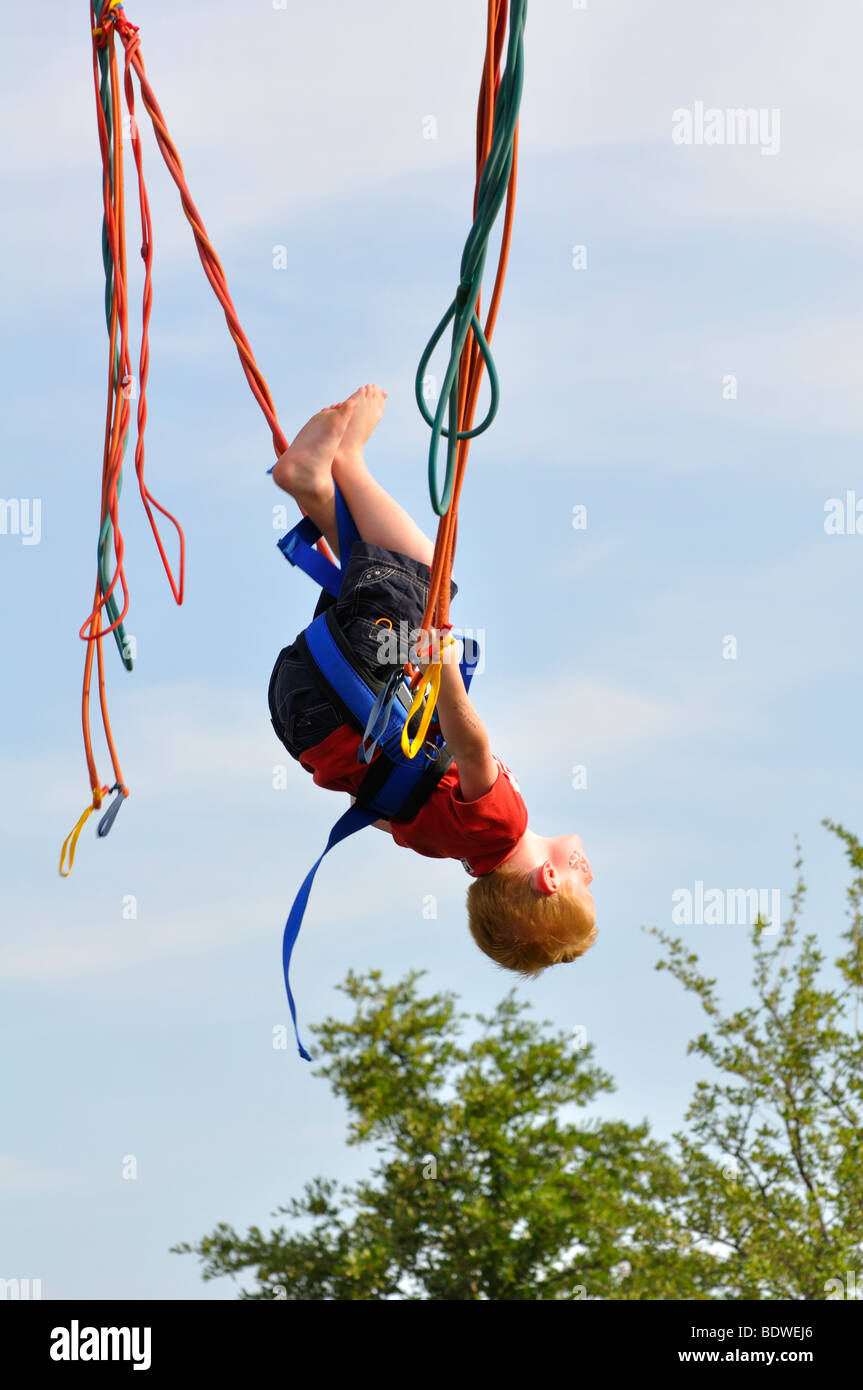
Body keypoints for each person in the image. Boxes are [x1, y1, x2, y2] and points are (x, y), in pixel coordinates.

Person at [268, 385, 597, 975]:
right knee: (383, 583)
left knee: (428, 583)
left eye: (586, 885)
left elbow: (470, 744)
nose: (590, 872)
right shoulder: (446, 845)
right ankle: (318, 492)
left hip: (352, 685)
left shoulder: (503, 825)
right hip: (305, 710)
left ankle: (344, 464)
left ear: (550, 879)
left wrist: (443, 664)